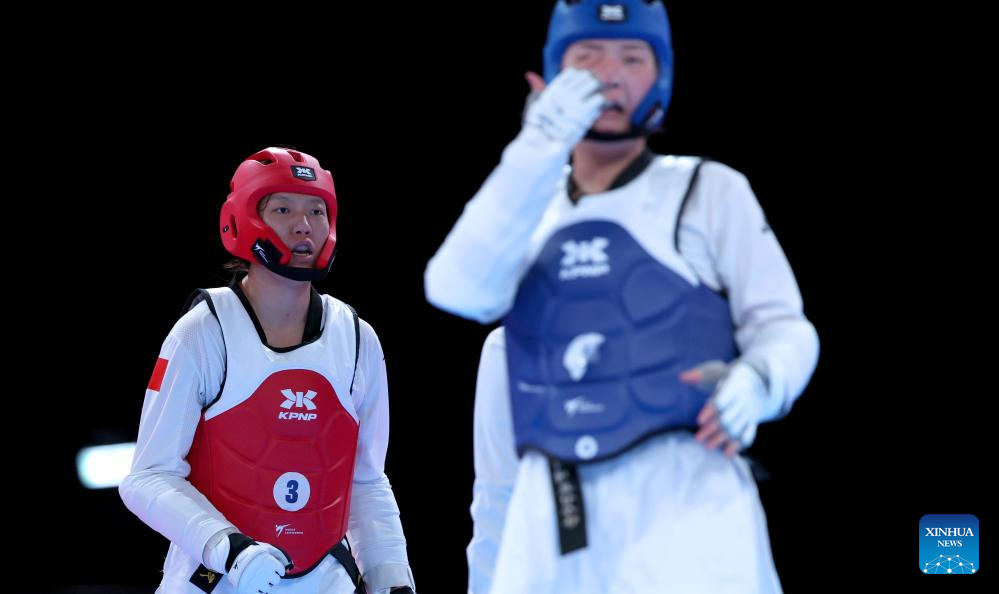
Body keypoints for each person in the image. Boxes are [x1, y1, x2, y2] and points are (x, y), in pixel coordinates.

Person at [424, 2, 820, 593]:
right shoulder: (524, 210)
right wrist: (539, 143)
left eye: (632, 57)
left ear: (660, 75)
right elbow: (455, 289)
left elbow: (786, 327)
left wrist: (760, 380)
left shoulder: (707, 190)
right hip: (552, 514)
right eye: (587, 57)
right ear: (549, 77)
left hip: (686, 501)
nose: (611, 74)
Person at [120, 147, 417, 594]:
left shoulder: (357, 338)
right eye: (283, 208)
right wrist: (231, 549)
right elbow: (146, 478)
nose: (304, 225)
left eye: (317, 210)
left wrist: (393, 577)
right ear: (241, 219)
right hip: (214, 577)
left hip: (327, 580)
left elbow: (366, 480)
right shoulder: (205, 331)